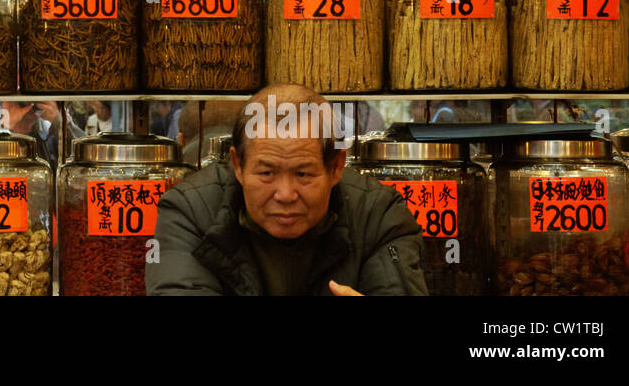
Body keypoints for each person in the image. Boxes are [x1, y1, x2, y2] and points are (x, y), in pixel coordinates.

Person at [147, 83, 427, 296]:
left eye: (303, 173)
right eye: (267, 173)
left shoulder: (378, 215)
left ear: (335, 167)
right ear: (238, 165)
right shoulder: (190, 212)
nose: (285, 194)